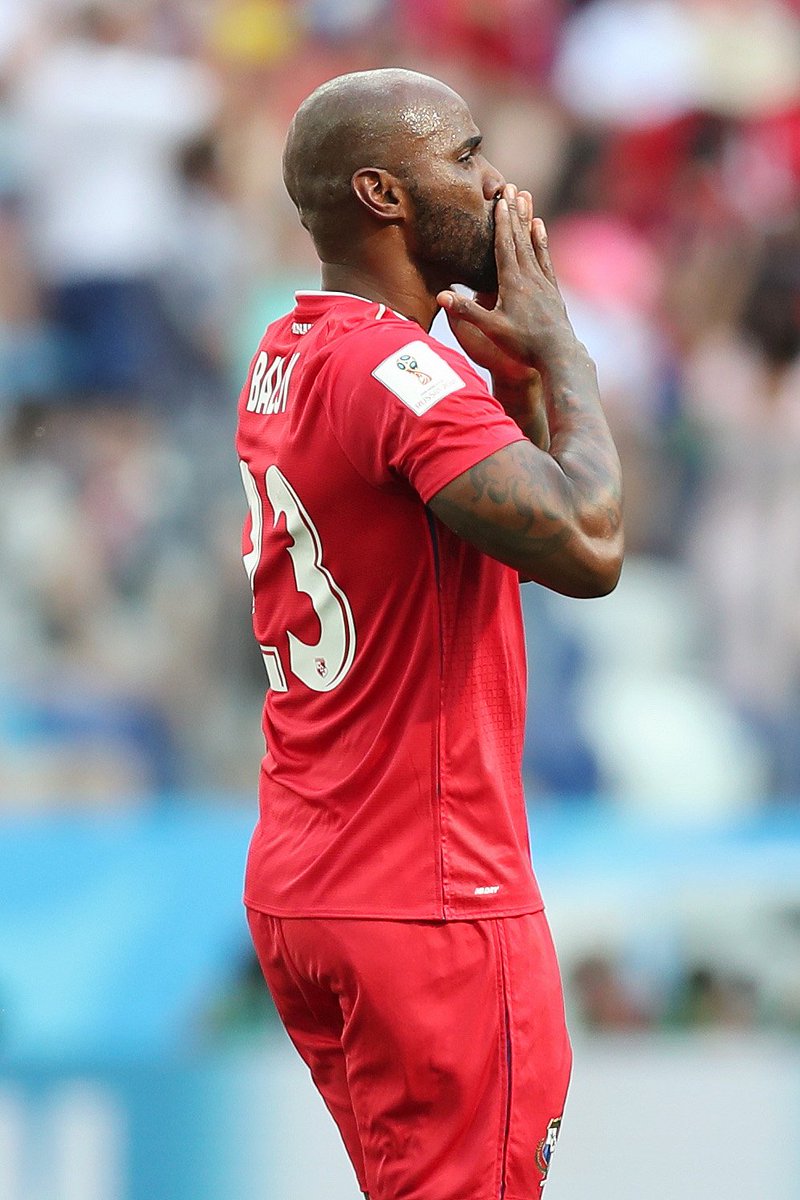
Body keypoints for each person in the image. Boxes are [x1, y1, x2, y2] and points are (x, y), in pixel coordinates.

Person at [235, 68, 623, 1200]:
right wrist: (564, 353)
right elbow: (587, 549)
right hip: (431, 899)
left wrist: (510, 388)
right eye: (463, 155)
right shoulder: (400, 373)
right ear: (382, 192)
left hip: (311, 882)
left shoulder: (290, 350)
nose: (498, 184)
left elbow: (455, 521)